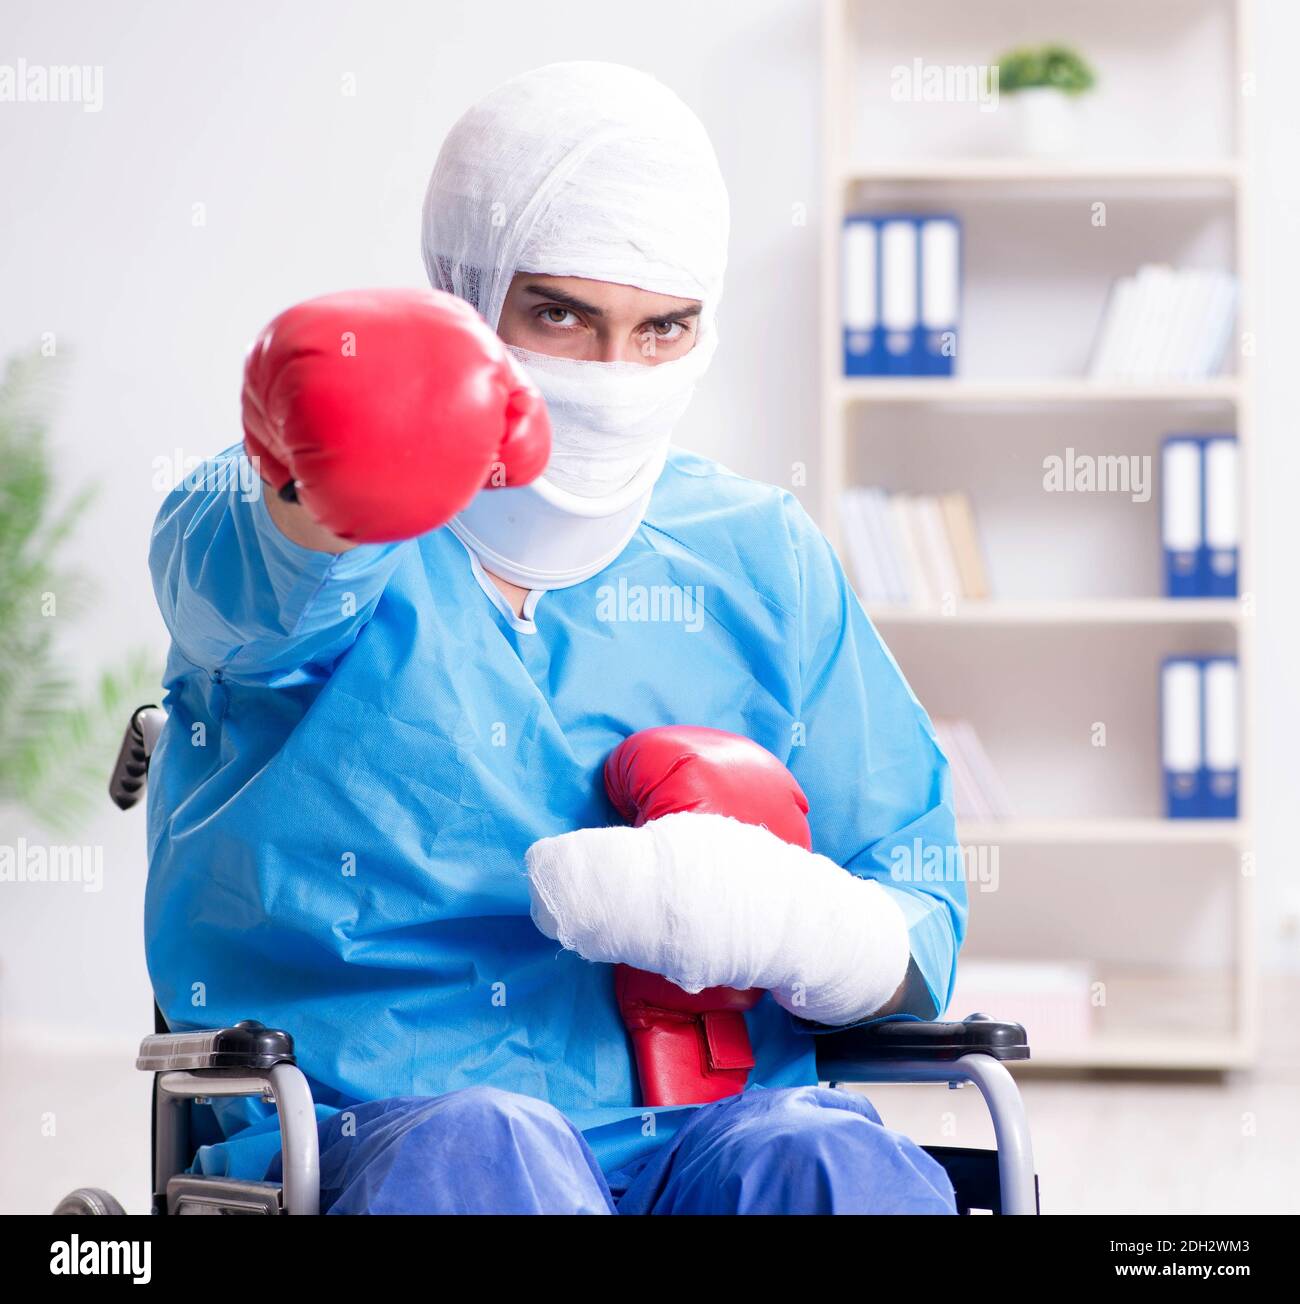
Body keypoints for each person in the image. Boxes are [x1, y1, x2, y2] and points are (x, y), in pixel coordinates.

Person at [146, 61, 967, 1214]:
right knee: (490, 1146)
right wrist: (318, 486)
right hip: (384, 1138)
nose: (615, 376)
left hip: (708, 1134)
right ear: (468, 297)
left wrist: (803, 925)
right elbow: (245, 592)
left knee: (830, 1160)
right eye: (562, 315)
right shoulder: (312, 534)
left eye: (662, 327)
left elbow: (912, 880)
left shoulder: (757, 557)